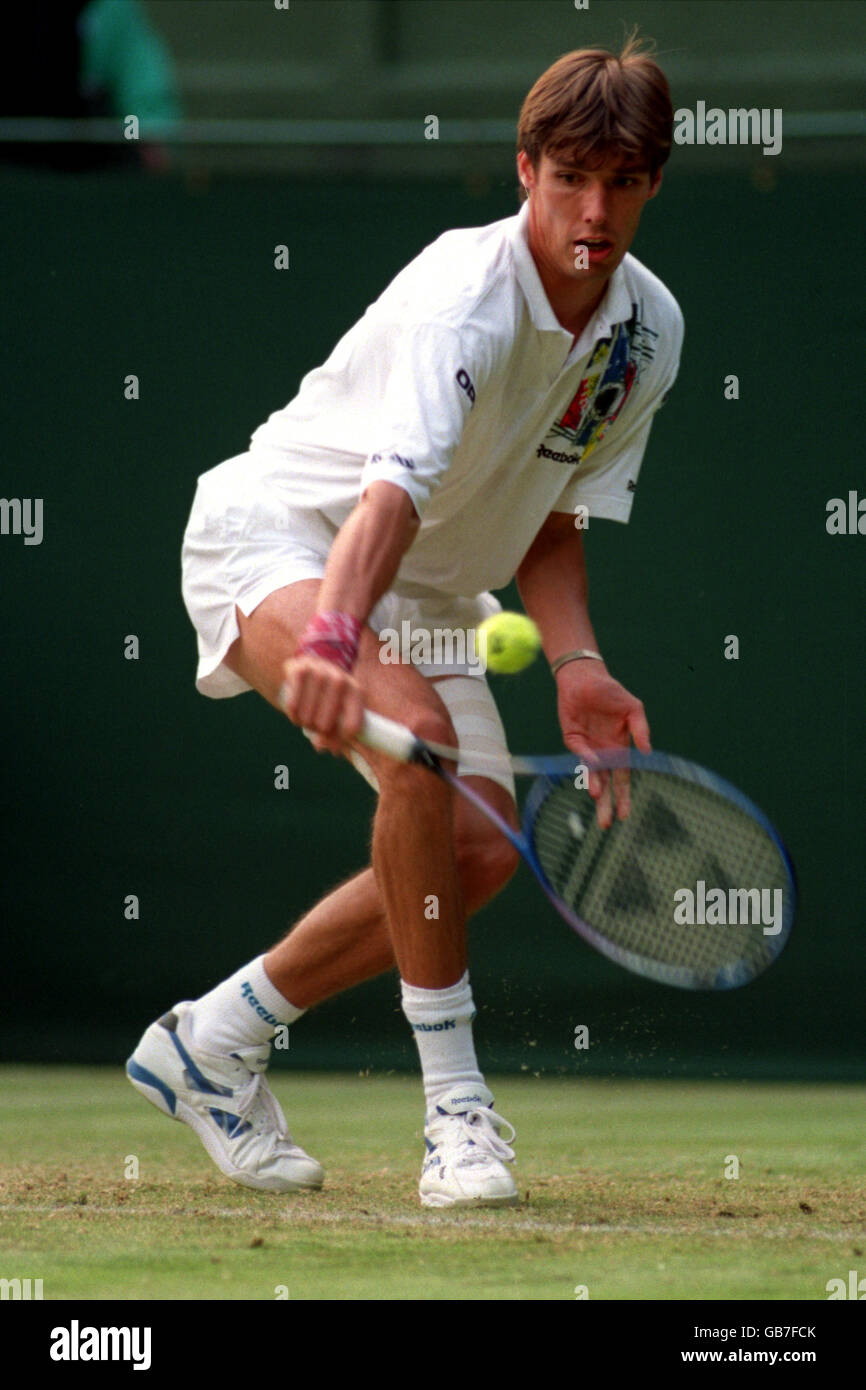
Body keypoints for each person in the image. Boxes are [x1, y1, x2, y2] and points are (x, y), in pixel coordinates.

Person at [127, 37, 683, 1208]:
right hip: (281, 537)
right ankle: (456, 1112)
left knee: (476, 845)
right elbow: (387, 498)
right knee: (417, 747)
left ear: (650, 184)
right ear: (522, 166)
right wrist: (331, 636)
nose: (593, 208)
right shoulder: (461, 297)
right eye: (570, 175)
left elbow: (548, 512)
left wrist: (577, 664)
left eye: (621, 181)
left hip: (425, 593)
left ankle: (211, 1040)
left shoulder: (646, 333)